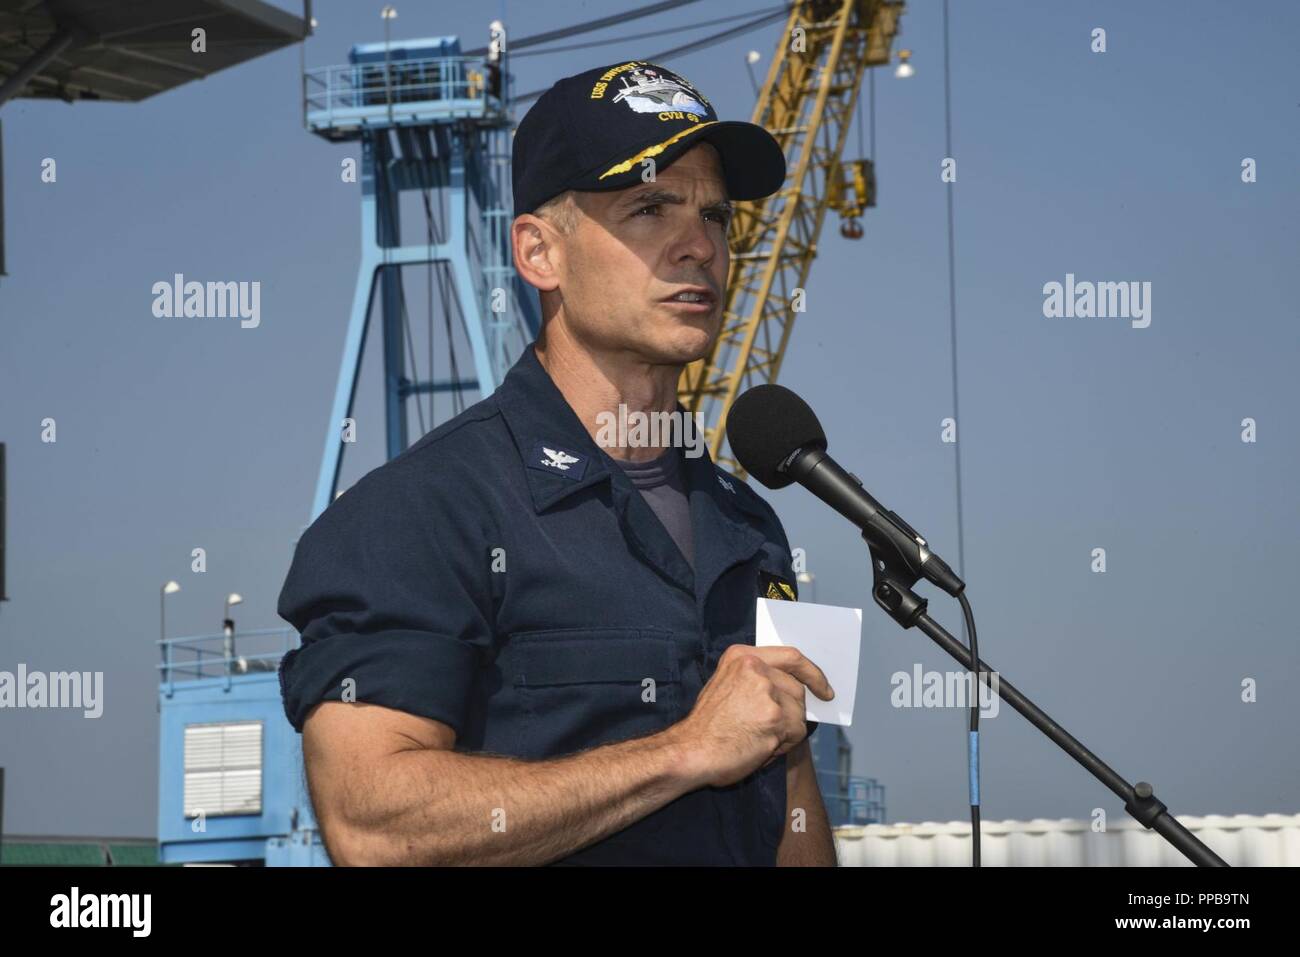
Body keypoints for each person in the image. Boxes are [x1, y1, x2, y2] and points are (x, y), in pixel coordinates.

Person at [277, 60, 837, 866]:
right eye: (650, 207)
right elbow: (372, 824)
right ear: (539, 253)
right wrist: (684, 751)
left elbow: (791, 792)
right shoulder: (419, 514)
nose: (699, 246)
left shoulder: (754, 528)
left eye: (715, 215)